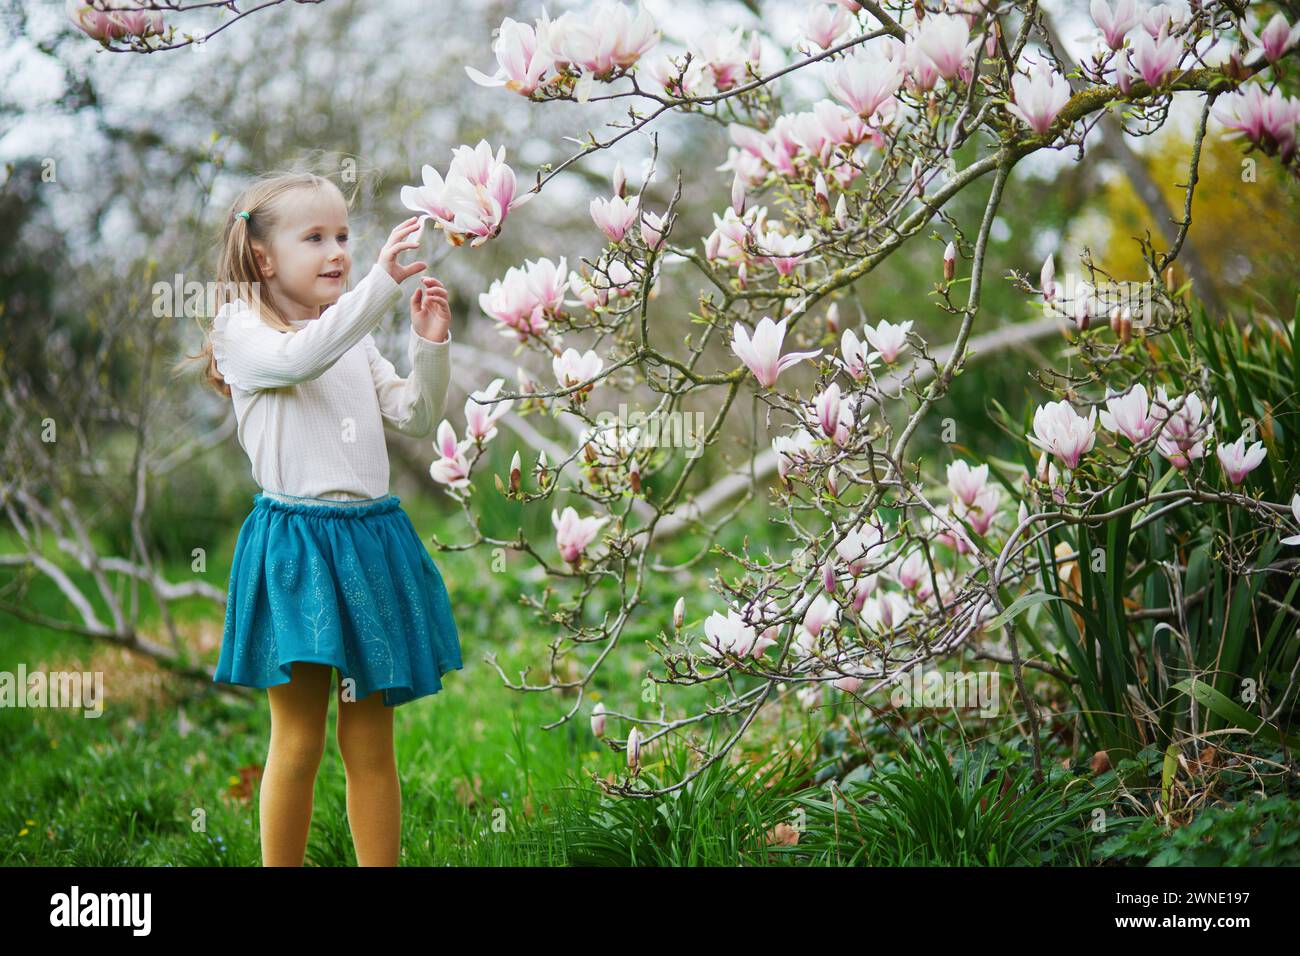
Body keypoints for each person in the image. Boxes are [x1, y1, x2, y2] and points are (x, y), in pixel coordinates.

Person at [192, 170, 463, 866]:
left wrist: (428, 346)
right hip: (297, 551)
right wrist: (378, 286)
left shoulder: (354, 336)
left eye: (343, 235)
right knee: (300, 738)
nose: (337, 250)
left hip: (369, 541)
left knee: (371, 743)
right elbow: (302, 356)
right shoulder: (243, 332)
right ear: (264, 257)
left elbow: (416, 415)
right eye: (315, 237)